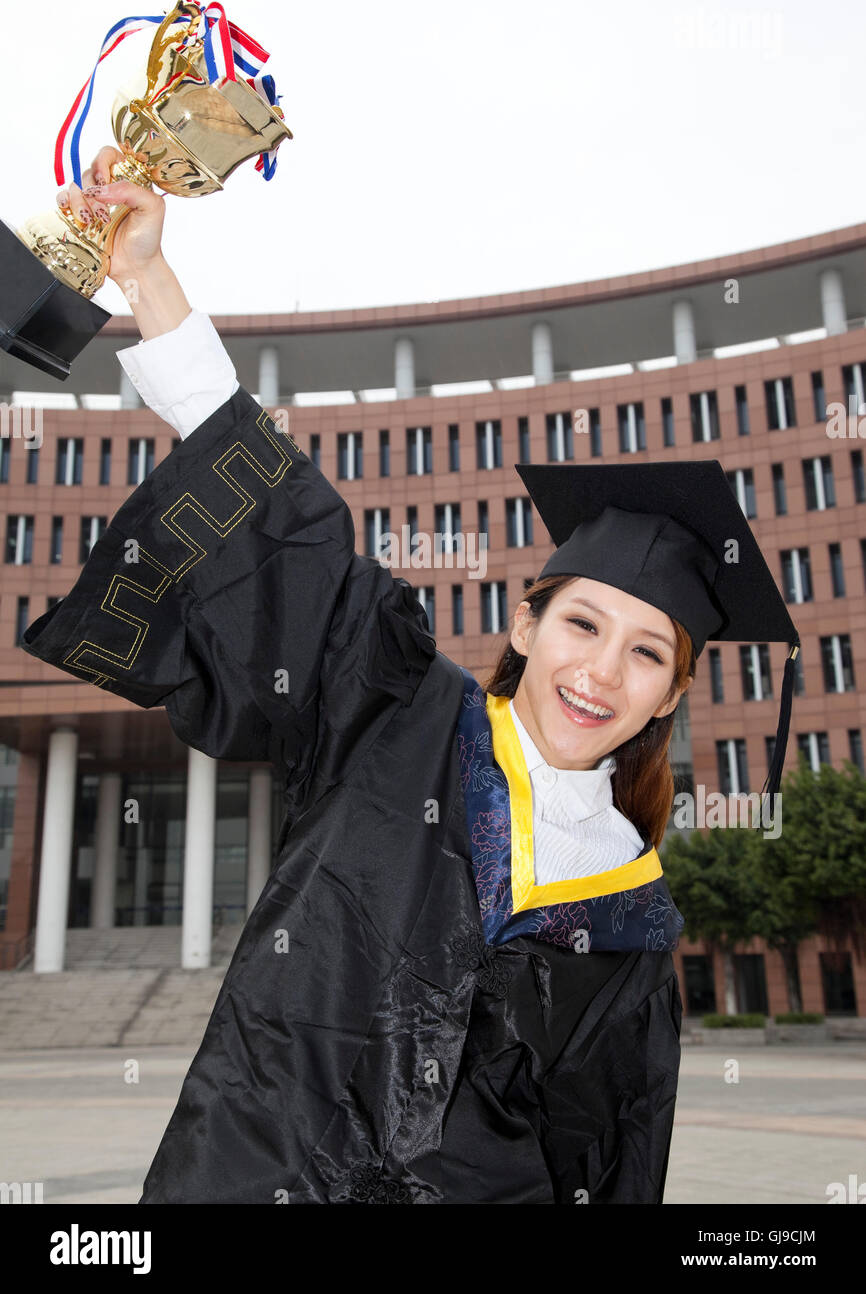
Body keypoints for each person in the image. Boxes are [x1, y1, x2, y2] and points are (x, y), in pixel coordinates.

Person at [21, 148, 799, 1205]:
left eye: (645, 652)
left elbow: (609, 1162)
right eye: (581, 622)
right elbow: (286, 531)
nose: (600, 672)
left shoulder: (631, 914)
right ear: (525, 624)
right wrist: (150, 278)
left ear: (668, 695)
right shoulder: (391, 705)